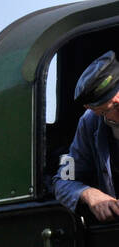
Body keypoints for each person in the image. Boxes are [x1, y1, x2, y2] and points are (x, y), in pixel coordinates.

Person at [53, 50, 119, 221]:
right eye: (111, 108)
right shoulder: (89, 123)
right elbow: (63, 181)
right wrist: (89, 194)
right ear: (93, 110)